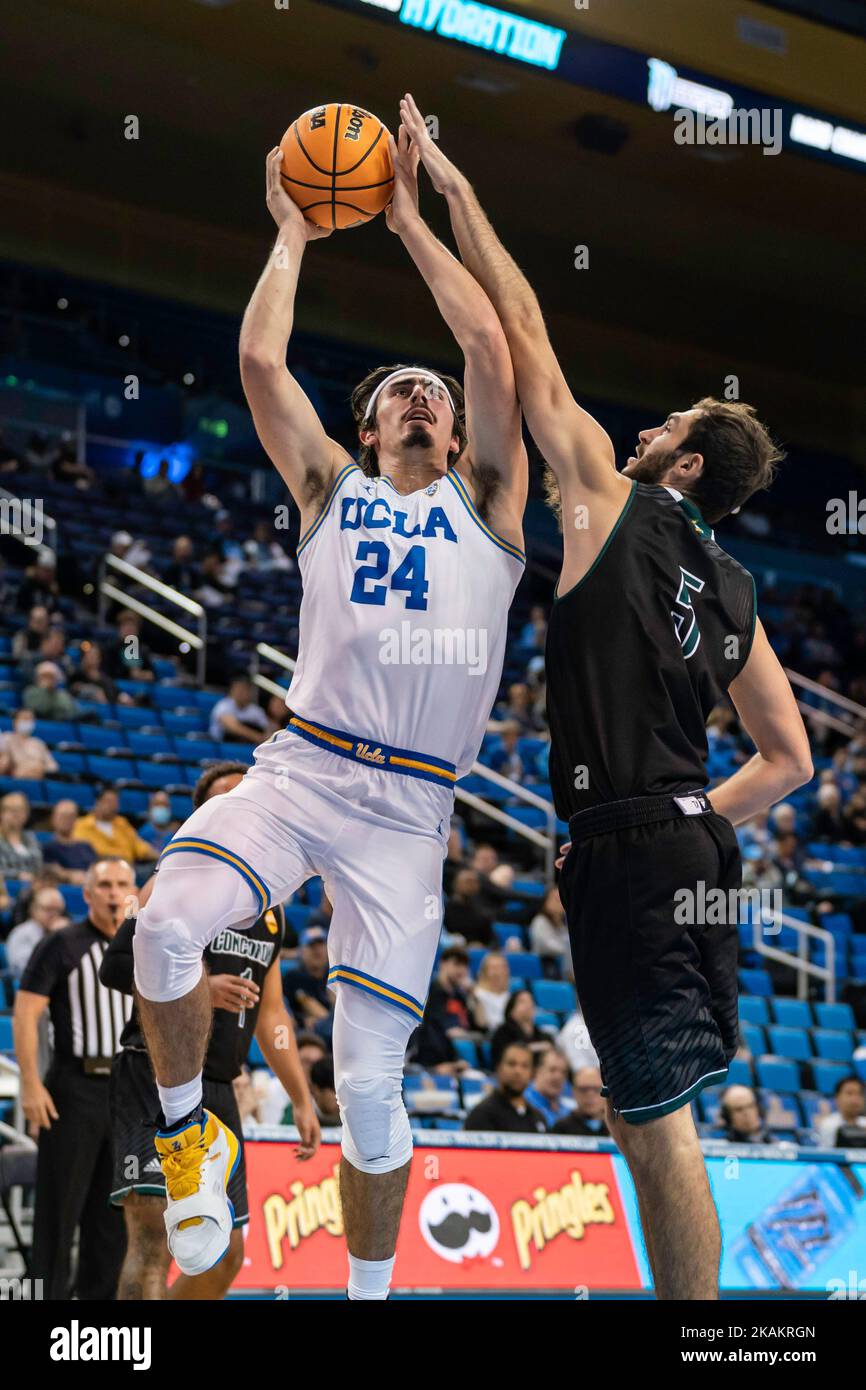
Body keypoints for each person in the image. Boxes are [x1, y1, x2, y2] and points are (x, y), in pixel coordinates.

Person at [398, 91, 812, 1299]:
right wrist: (690, 821)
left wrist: (447, 187)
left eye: (668, 422)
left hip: (632, 853)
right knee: (645, 1116)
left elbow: (518, 328)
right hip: (679, 850)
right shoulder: (731, 584)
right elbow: (787, 756)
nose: (642, 425)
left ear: (682, 463)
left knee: (653, 1119)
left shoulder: (605, 495)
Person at [129, 119, 528, 1301]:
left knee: (365, 1086)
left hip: (411, 814)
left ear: (455, 432)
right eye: (398, 392)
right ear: (365, 429)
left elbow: (492, 348)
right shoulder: (328, 489)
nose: (422, 397)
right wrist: (293, 232)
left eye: (434, 396)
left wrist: (405, 215)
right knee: (161, 927)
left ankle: (364, 1297)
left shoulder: (493, 507)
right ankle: (190, 1136)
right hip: (301, 769)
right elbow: (261, 367)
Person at [99, 763, 319, 1302]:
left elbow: (272, 1016)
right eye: (225, 799)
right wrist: (198, 987)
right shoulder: (164, 884)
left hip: (220, 1087)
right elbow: (116, 966)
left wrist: (302, 1097)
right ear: (202, 815)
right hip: (153, 1075)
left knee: (226, 1256)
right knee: (154, 1239)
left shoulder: (273, 912)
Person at [12, 859, 135, 1299]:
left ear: (133, 891)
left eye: (121, 884)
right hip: (73, 1087)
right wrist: (31, 1082)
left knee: (113, 1221)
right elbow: (26, 1013)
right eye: (103, 884)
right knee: (58, 1214)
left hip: (127, 1096)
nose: (112, 892)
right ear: (86, 894)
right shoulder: (63, 943)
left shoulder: (143, 947)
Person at [463, 1042, 547, 1134]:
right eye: (512, 1064)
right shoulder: (481, 1115)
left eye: (525, 1066)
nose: (518, 1071)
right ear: (498, 1068)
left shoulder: (538, 1118)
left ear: (531, 1073)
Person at [73, 786, 157, 864]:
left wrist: (161, 858)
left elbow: (141, 847)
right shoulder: (81, 825)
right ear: (98, 802)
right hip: (99, 868)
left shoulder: (122, 823)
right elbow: (82, 852)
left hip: (128, 868)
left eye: (115, 802)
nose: (112, 806)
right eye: (108, 802)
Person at [5, 885, 68, 976]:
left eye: (57, 910)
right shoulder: (22, 933)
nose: (54, 914)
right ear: (34, 909)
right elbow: (26, 971)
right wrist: (54, 938)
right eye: (48, 909)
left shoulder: (61, 931)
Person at [282, 926, 334, 1033]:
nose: (317, 950)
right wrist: (303, 1021)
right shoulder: (293, 977)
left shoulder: (334, 975)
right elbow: (285, 1010)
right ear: (301, 951)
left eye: (321, 945)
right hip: (305, 1033)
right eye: (311, 946)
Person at [490, 988, 550, 1069]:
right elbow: (505, 1058)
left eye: (531, 1001)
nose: (528, 1005)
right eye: (522, 1002)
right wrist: (535, 1047)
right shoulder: (503, 1032)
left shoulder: (542, 1034)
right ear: (511, 1010)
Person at [42, 799, 97, 883]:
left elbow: (96, 869)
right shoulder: (48, 847)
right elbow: (51, 870)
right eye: (63, 816)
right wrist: (70, 875)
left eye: (71, 816)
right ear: (53, 818)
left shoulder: (86, 846)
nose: (66, 820)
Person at [442, 867, 495, 947]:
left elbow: (491, 939)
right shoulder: (444, 910)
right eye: (468, 881)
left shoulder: (482, 911)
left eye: (475, 882)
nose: (471, 885)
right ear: (455, 884)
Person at [524, 1047, 575, 1129]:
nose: (558, 1077)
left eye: (563, 1072)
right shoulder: (523, 1101)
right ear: (537, 1072)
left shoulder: (568, 1110)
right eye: (552, 1070)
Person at [208, 675, 269, 744]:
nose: (240, 693)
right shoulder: (223, 705)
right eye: (237, 689)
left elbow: (267, 729)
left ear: (250, 692)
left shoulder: (256, 710)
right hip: (222, 746)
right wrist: (258, 737)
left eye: (243, 689)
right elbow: (233, 727)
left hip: (250, 747)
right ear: (231, 690)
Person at [551, 1066, 610, 1137]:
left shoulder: (616, 1128)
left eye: (596, 1089)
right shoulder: (560, 1128)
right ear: (573, 1092)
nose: (590, 1095)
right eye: (584, 1089)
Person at [0, 708, 58, 779]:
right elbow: (4, 762)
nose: (28, 721)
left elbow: (53, 766)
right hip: (15, 777)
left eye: (31, 719)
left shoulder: (38, 743)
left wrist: (38, 768)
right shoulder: (6, 738)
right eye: (25, 718)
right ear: (15, 721)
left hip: (37, 777)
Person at [529, 886, 573, 980]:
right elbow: (548, 946)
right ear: (546, 901)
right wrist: (569, 949)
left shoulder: (565, 924)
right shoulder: (540, 921)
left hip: (563, 964)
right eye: (555, 899)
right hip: (546, 965)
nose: (559, 902)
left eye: (561, 898)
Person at [0, 792, 44, 882]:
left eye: (21, 809)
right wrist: (17, 875)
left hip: (32, 888)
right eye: (11, 809)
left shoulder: (31, 838)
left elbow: (39, 867)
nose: (16, 814)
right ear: (1, 813)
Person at [815, 1076, 866, 1148]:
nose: (855, 1099)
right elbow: (826, 1155)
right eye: (849, 1093)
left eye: (859, 1094)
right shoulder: (829, 1125)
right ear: (837, 1098)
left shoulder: (864, 1123)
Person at [471, 951, 512, 1032]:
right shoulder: (477, 994)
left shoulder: (510, 997)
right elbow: (481, 1024)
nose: (499, 972)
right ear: (484, 972)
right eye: (494, 968)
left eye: (502, 967)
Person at [138, 790, 180, 854]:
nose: (161, 808)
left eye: (165, 805)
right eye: (157, 804)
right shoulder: (143, 833)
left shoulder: (174, 835)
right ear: (150, 808)